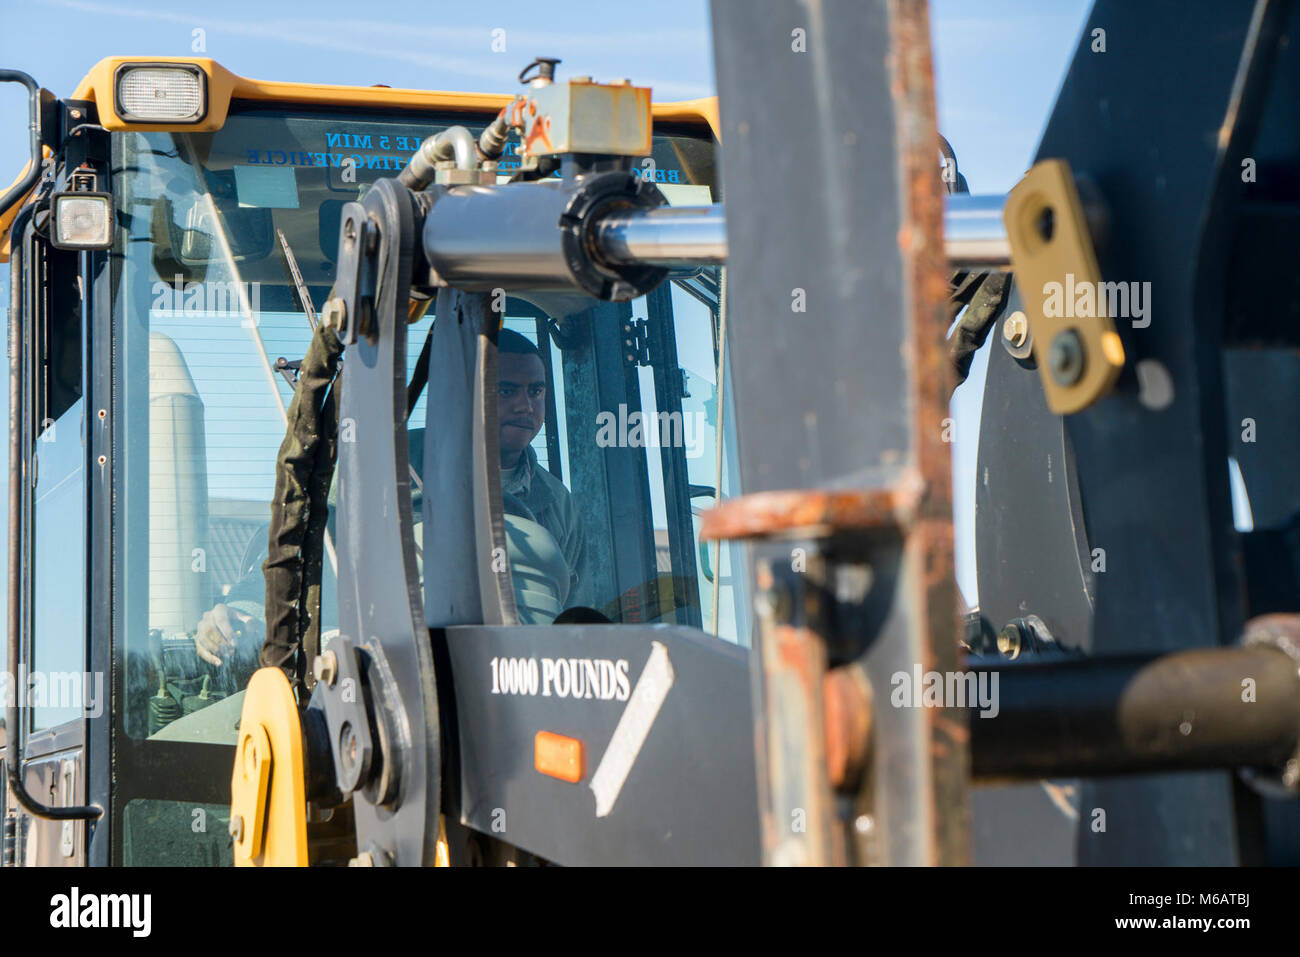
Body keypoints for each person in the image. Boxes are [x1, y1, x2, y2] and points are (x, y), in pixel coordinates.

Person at [194, 326, 586, 667]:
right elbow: (305, 542)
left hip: (521, 680)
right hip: (392, 672)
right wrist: (241, 613)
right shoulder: (387, 462)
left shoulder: (559, 505)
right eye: (506, 390)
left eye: (536, 391)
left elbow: (576, 612)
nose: (526, 405)